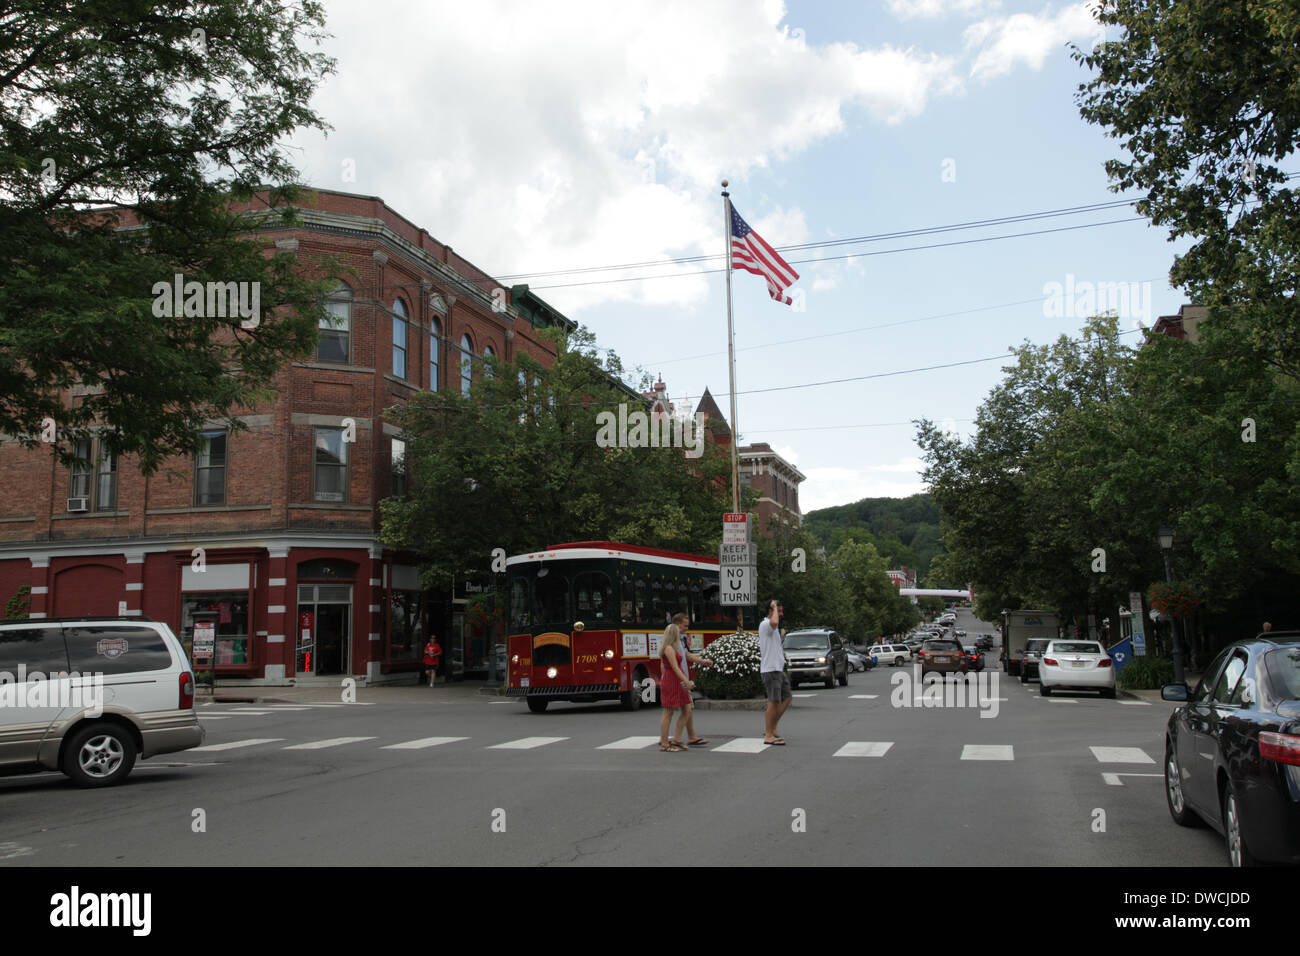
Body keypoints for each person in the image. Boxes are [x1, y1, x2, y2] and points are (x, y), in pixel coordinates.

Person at [666, 612, 714, 748]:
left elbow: (686, 655)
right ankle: (675, 738)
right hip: (679, 680)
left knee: (686, 708)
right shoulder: (672, 641)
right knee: (679, 710)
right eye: (685, 626)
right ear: (677, 624)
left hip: (682, 678)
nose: (687, 628)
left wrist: (702, 661)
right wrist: (684, 680)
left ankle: (687, 736)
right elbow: (670, 664)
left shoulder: (680, 639)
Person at [759, 599, 791, 744]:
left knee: (787, 697)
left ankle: (772, 728)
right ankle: (768, 734)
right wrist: (773, 606)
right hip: (770, 669)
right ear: (771, 611)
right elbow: (774, 623)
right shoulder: (766, 624)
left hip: (778, 668)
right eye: (779, 611)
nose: (782, 614)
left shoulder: (772, 626)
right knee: (773, 701)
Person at [658, 622, 691, 752]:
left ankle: (676, 739)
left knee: (687, 709)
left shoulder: (672, 647)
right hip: (672, 681)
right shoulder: (668, 648)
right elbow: (674, 667)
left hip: (676, 680)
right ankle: (665, 743)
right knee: (668, 712)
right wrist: (686, 681)